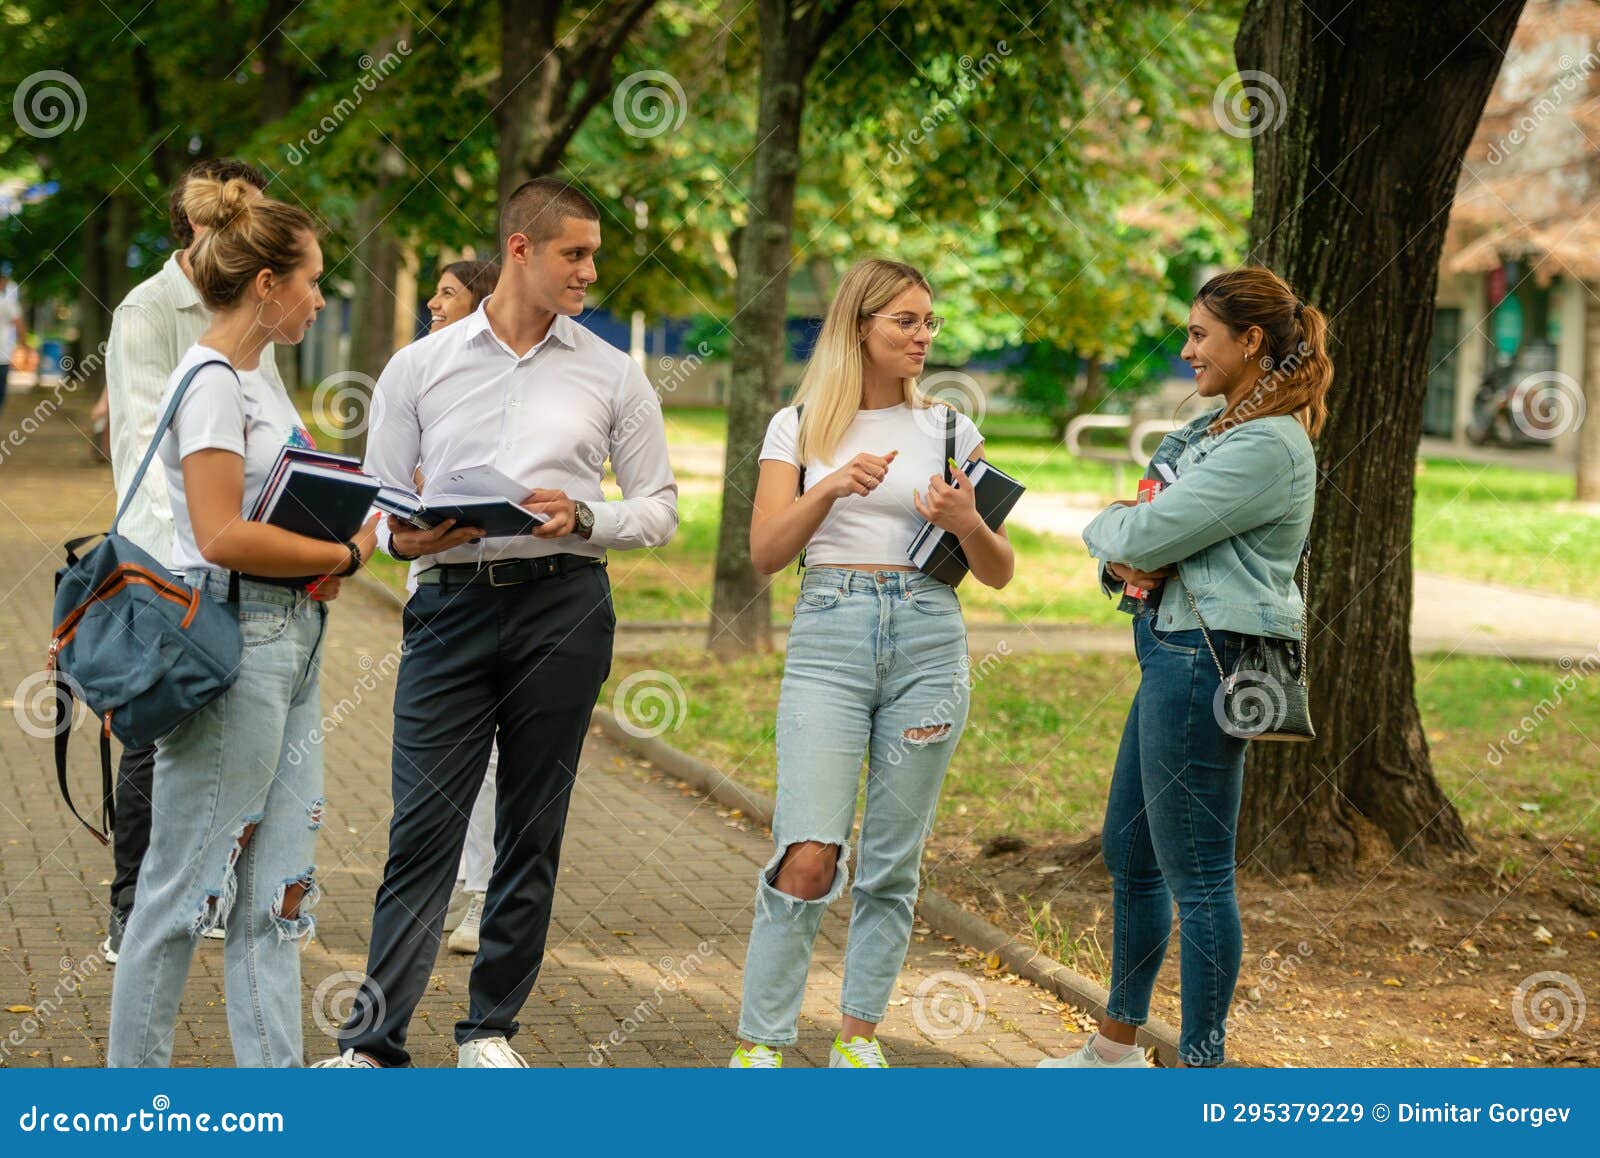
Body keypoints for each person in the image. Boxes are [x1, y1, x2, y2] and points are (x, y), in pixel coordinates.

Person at [317, 177, 678, 1069]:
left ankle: (488, 1033)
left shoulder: (612, 372)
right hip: (448, 605)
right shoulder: (420, 366)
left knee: (530, 823)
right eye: (576, 253)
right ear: (520, 248)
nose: (591, 271)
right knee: (423, 826)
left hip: (565, 605)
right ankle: (372, 1046)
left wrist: (587, 516)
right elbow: (381, 509)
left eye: (593, 253)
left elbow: (662, 509)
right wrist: (408, 537)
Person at [107, 176, 379, 1067]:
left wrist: (329, 546)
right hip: (240, 645)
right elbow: (222, 531)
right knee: (181, 891)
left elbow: (270, 512)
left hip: (291, 642)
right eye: (311, 279)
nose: (319, 295)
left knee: (277, 894)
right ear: (266, 283)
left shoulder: (259, 378)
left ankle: (277, 1093)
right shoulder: (214, 378)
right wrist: (339, 556)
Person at [1043, 266, 1331, 1069]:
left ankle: (1202, 1069)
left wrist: (1114, 528)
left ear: (1252, 342)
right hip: (1172, 648)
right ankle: (1115, 1051)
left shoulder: (1268, 445)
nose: (1186, 349)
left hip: (1210, 662)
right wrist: (1136, 544)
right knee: (1131, 851)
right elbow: (1146, 546)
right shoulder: (1218, 434)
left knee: (1199, 874)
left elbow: (1140, 534)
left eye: (1201, 334)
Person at [729, 258, 1014, 1069]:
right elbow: (764, 554)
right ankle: (762, 1041)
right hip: (830, 632)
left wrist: (966, 520)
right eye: (906, 322)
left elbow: (997, 572)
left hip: (929, 636)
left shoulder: (952, 431)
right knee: (810, 850)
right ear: (860, 326)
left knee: (893, 858)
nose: (923, 336)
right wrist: (828, 492)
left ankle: (857, 1040)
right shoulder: (800, 425)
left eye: (929, 322)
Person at [101, 159, 280, 964]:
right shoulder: (146, 310)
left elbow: (267, 430)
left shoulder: (255, 312)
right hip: (165, 557)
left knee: (228, 731)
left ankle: (208, 889)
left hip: (234, 555)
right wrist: (184, 568)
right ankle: (130, 910)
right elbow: (144, 443)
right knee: (155, 733)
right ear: (205, 226)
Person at [421, 258, 503, 955]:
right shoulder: (420, 370)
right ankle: (454, 884)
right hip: (434, 581)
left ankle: (484, 894)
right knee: (443, 757)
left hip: (501, 582)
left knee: (496, 764)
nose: (430, 301)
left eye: (446, 292)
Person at [0, 268, 32, 418]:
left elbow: (19, 325)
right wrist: (24, 346)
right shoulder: (8, 302)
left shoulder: (7, 301)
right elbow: (19, 325)